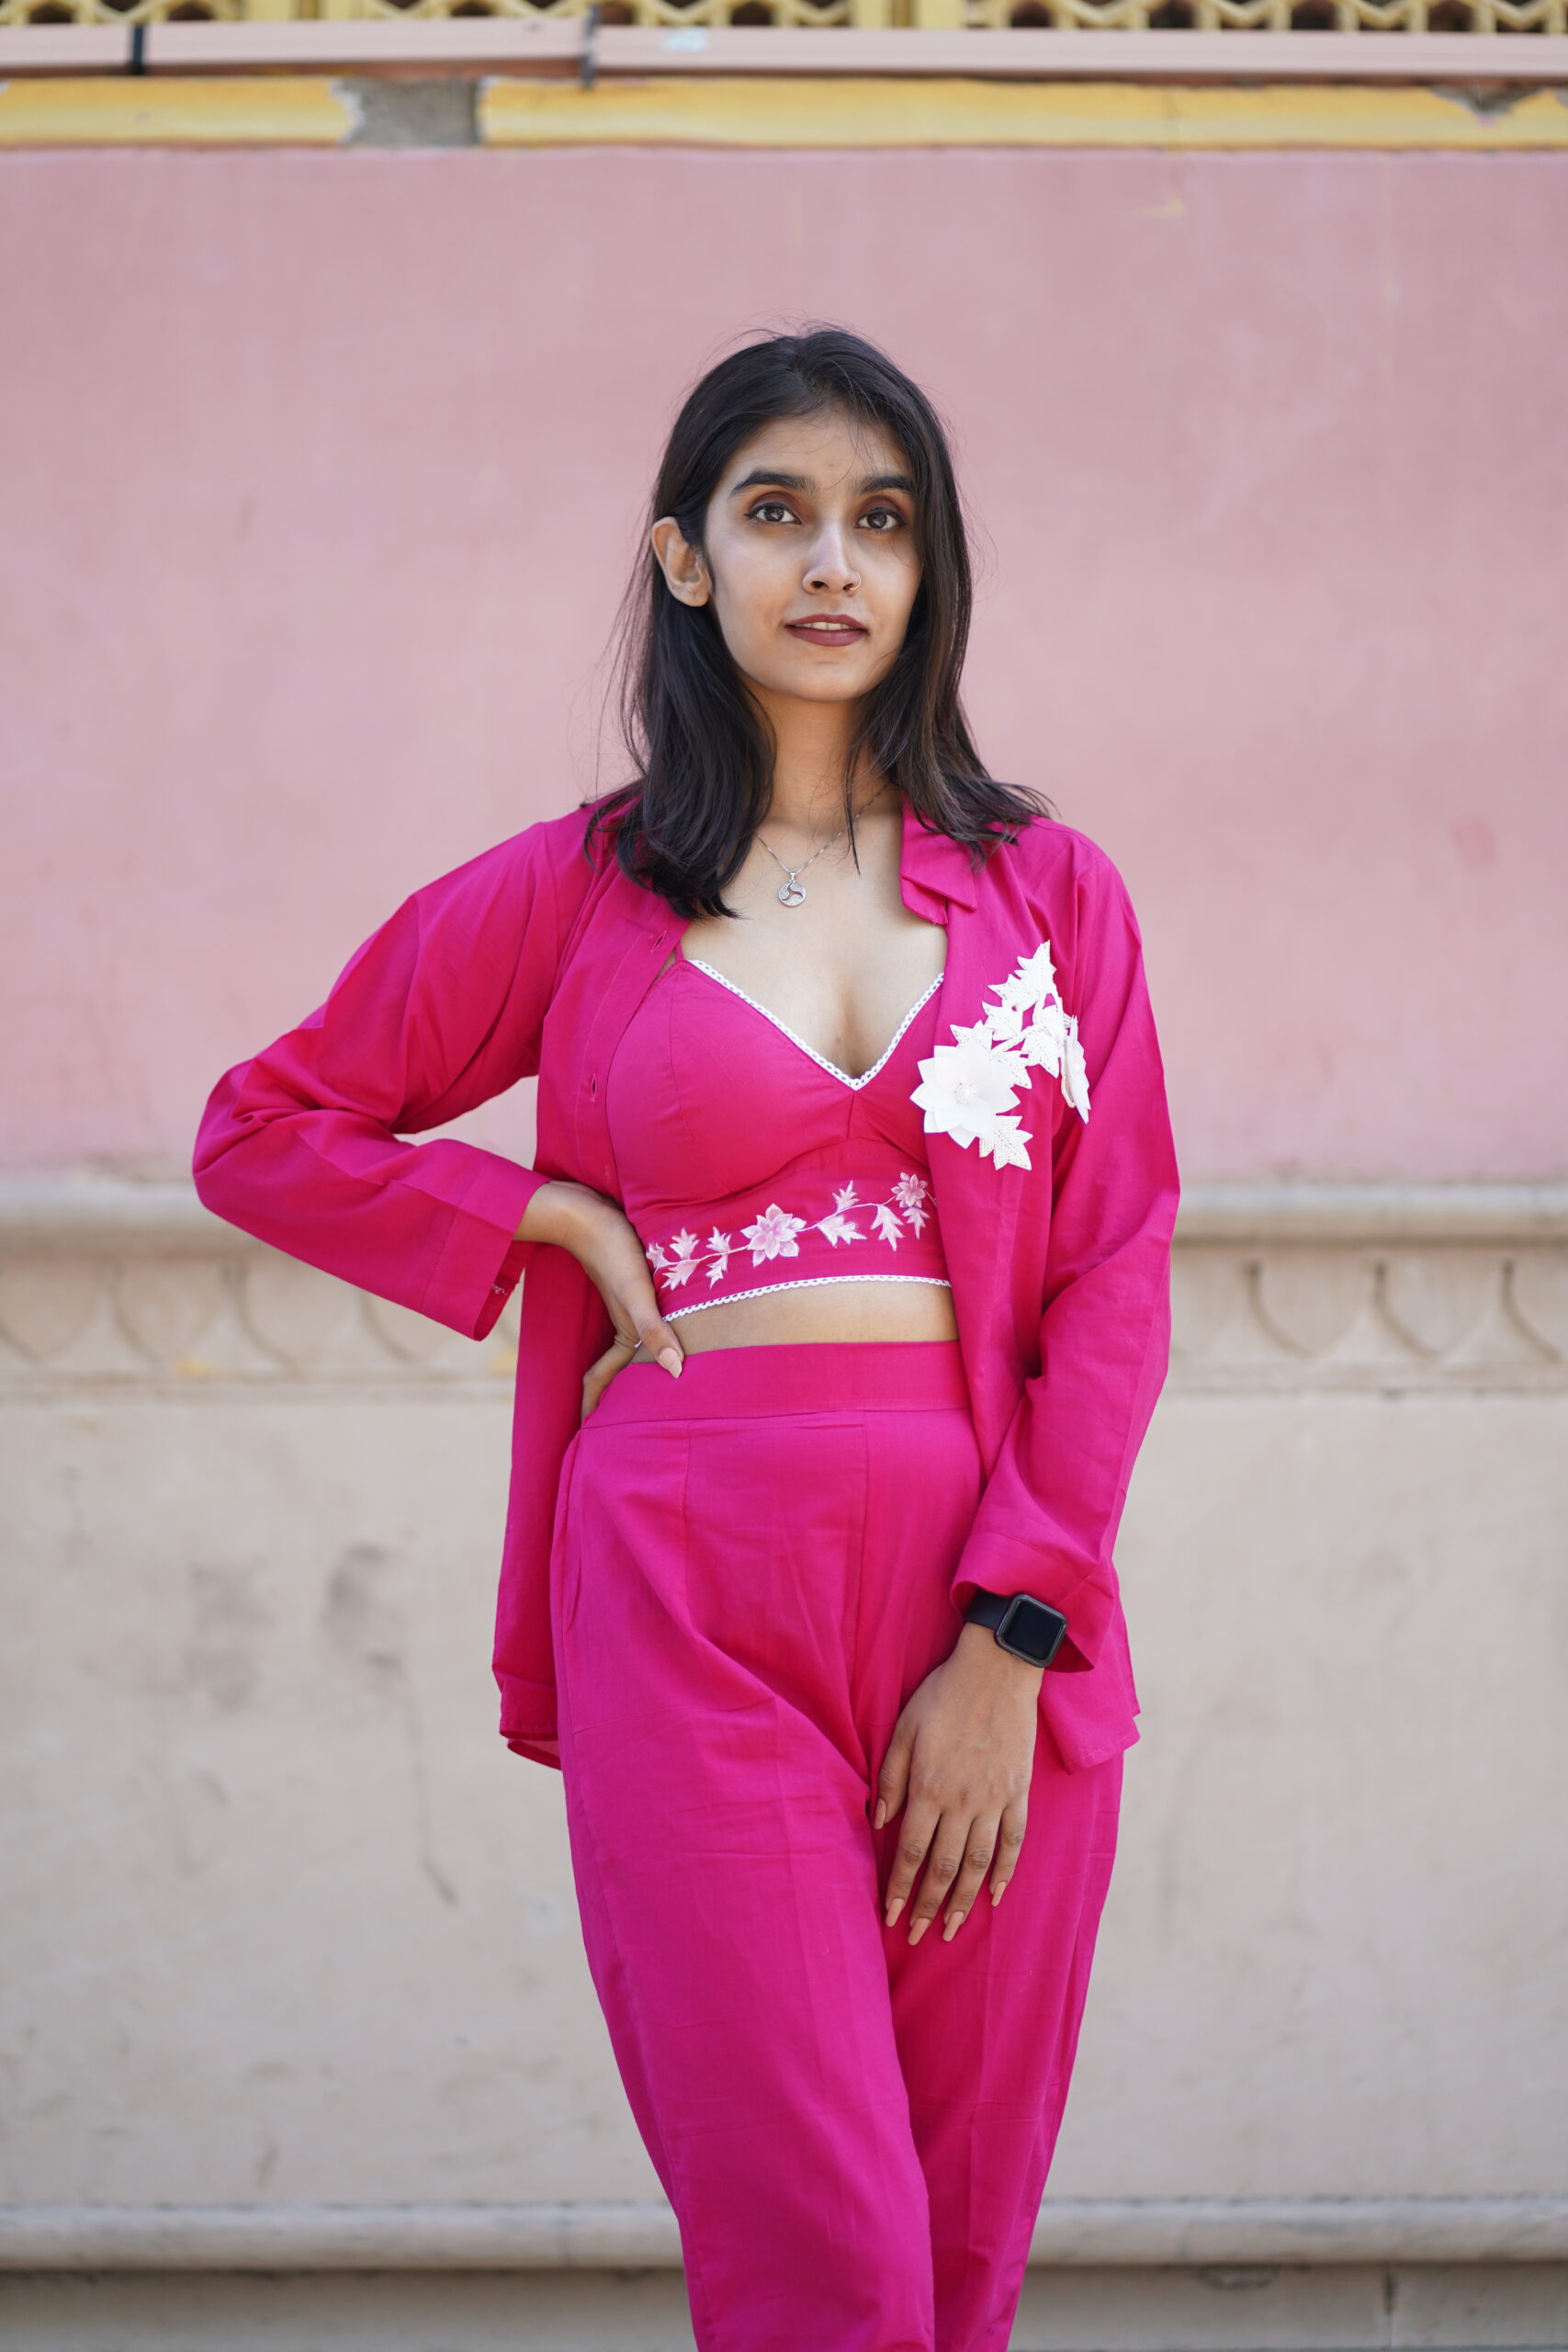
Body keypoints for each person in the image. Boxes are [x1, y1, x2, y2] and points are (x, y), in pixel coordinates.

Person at [193, 325, 1179, 2352]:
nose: (832, 561)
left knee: (957, 2271)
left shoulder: (1045, 894)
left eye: (879, 520)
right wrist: (530, 1209)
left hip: (982, 1622)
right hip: (682, 1600)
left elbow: (1115, 1266)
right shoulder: (579, 890)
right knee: (823, 2269)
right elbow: (261, 1129)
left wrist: (1007, 1644)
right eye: (775, 511)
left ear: (928, 571)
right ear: (680, 556)